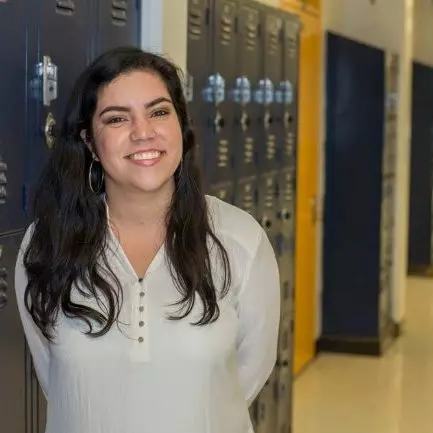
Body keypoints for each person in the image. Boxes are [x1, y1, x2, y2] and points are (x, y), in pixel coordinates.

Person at [14, 46, 280, 433]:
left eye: (158, 112)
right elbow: (54, 377)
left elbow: (247, 375)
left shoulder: (239, 240)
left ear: (180, 126)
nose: (143, 132)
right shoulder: (46, 245)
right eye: (117, 119)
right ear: (89, 141)